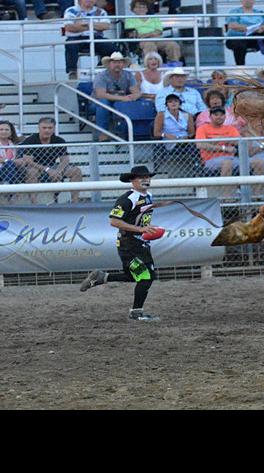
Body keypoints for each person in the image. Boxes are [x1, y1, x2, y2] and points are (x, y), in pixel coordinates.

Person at [79, 165, 162, 322]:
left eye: (147, 176)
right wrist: (140, 229)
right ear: (132, 180)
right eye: (140, 177)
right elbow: (114, 221)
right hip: (129, 245)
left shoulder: (148, 195)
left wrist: (147, 230)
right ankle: (136, 313)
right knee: (146, 277)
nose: (145, 179)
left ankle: (102, 277)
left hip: (140, 244)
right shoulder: (128, 199)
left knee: (136, 276)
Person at [18, 117, 82, 204]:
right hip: (36, 167)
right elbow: (28, 161)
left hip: (53, 166)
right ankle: (34, 204)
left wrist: (58, 171)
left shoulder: (59, 140)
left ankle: (75, 202)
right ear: (39, 128)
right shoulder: (30, 140)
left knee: (76, 171)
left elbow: (65, 159)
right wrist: (48, 170)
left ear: (54, 128)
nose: (47, 130)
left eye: (50, 128)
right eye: (44, 128)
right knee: (32, 172)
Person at [93, 51, 141, 141]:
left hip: (120, 101)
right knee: (103, 103)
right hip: (98, 102)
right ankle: (102, 134)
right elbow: (100, 94)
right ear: (109, 64)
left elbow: (136, 91)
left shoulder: (128, 75)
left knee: (137, 102)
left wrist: (134, 96)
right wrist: (122, 98)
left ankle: (131, 132)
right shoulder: (101, 76)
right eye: (114, 62)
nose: (117, 65)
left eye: (119, 62)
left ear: (123, 64)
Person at [63, 0, 116, 80]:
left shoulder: (100, 11)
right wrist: (94, 25)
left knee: (110, 47)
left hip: (96, 37)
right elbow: (69, 27)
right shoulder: (71, 10)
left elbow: (106, 26)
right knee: (71, 44)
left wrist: (86, 24)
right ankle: (72, 71)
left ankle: (100, 69)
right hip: (77, 37)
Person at [225, 0, 264, 66]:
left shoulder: (260, 13)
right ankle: (240, 68)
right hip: (238, 37)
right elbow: (232, 25)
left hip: (256, 38)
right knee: (239, 44)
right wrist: (249, 28)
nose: (248, 1)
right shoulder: (235, 12)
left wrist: (262, 28)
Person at [195, 107, 242, 177]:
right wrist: (224, 148)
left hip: (232, 158)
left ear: (225, 116)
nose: (219, 117)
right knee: (227, 163)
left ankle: (258, 188)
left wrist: (221, 138)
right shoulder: (202, 128)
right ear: (210, 117)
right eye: (216, 115)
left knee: (258, 162)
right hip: (210, 160)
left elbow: (239, 142)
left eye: (222, 115)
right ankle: (226, 188)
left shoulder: (231, 128)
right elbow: (200, 145)